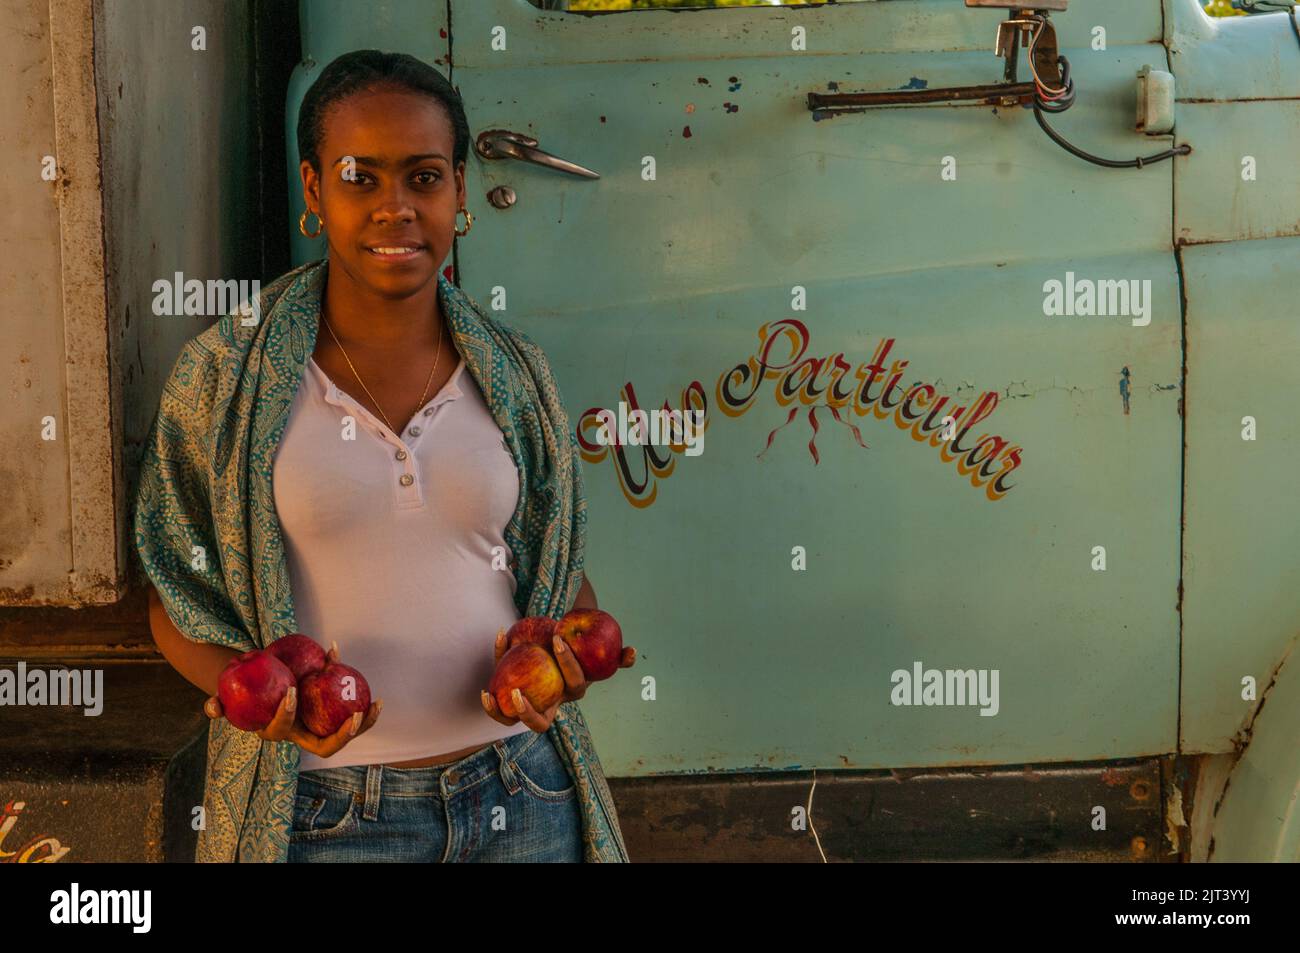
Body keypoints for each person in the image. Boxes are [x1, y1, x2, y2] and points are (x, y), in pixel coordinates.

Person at [134, 49, 633, 862]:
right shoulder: (226, 377)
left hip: (525, 797)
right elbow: (173, 594)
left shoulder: (517, 375)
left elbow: (557, 571)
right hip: (321, 817)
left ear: (461, 194)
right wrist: (264, 700)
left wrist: (563, 659)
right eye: (361, 177)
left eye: (425, 178)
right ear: (313, 190)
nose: (395, 208)